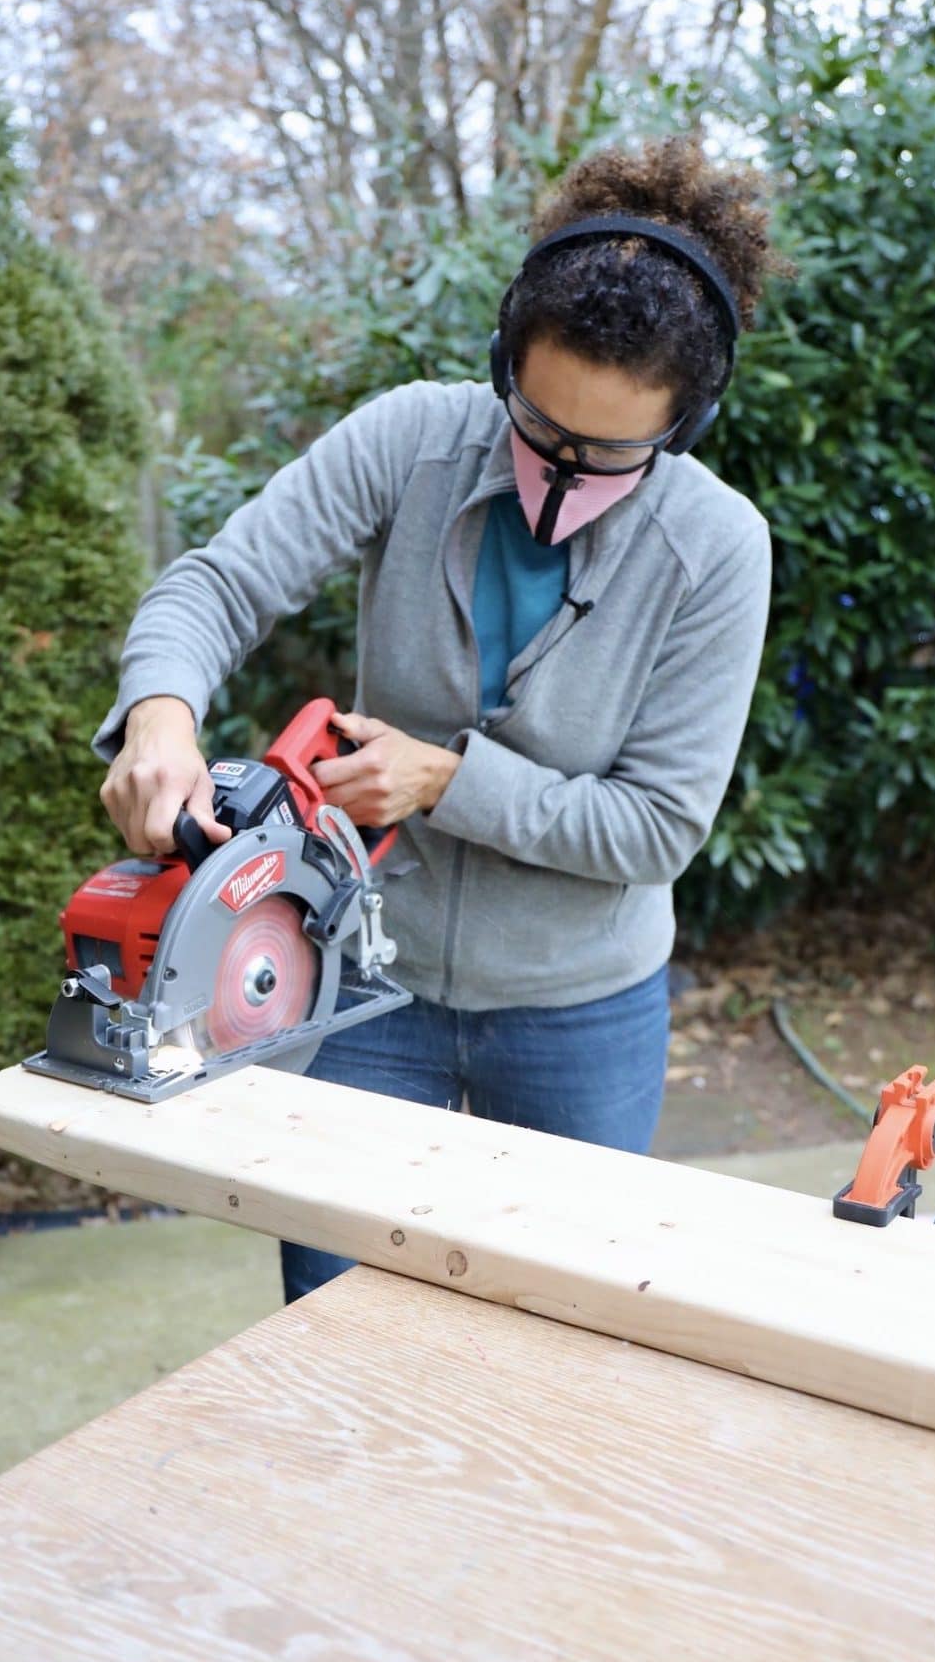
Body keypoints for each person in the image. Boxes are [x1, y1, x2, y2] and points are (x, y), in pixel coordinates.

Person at [94, 133, 782, 1302]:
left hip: (580, 1008)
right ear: (508, 355)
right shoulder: (414, 437)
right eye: (539, 424)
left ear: (686, 424)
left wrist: (447, 781)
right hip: (364, 975)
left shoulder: (717, 548)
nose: (560, 472)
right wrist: (160, 716)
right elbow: (219, 585)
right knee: (335, 1321)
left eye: (609, 453)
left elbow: (658, 827)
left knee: (555, 1330)